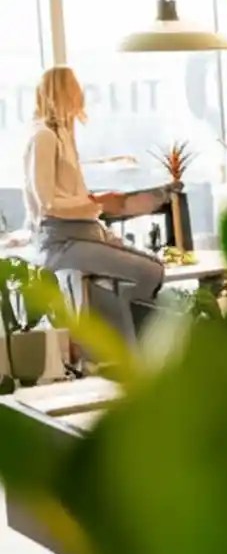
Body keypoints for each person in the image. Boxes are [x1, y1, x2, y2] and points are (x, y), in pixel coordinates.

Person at [23, 66, 165, 347]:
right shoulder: (44, 137)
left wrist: (100, 205)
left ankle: (125, 350)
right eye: (75, 90)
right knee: (150, 271)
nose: (81, 96)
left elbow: (71, 195)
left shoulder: (62, 135)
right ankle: (130, 352)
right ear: (63, 93)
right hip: (61, 241)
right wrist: (97, 202)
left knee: (153, 268)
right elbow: (48, 204)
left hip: (83, 233)